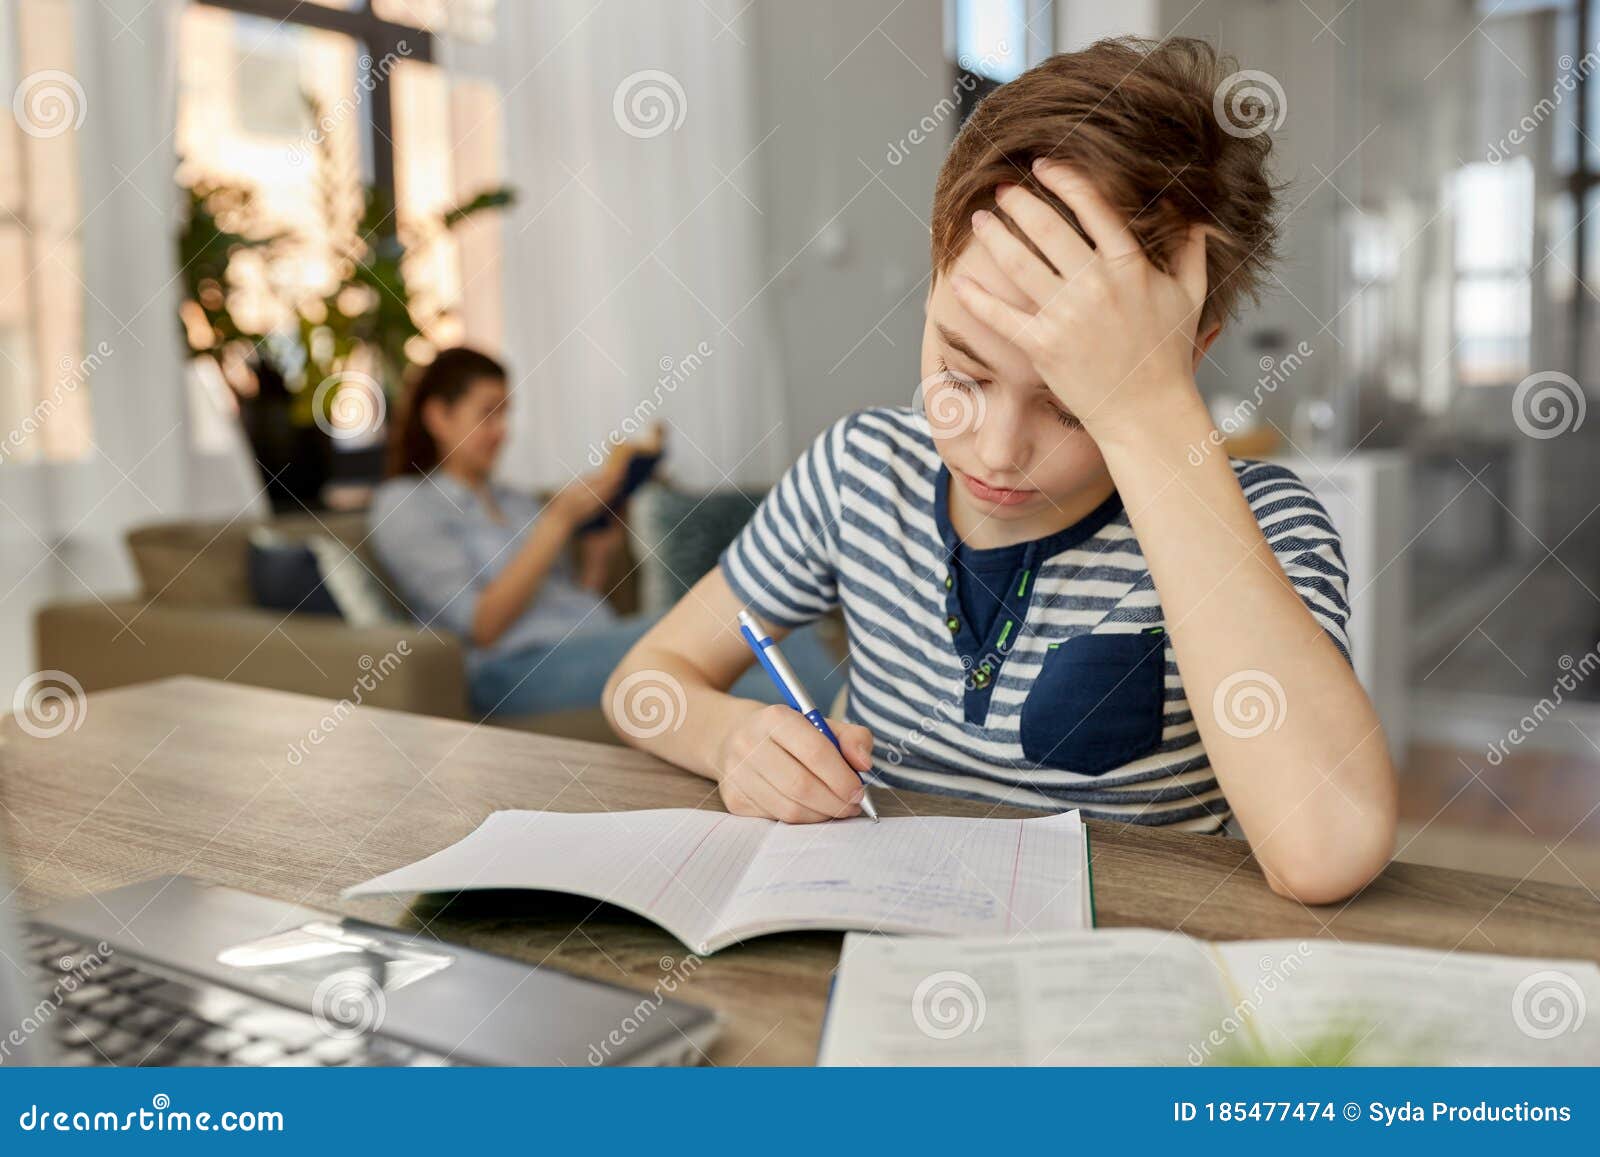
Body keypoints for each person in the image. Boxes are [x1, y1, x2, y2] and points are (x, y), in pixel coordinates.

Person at [603, 38, 1397, 906]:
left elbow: (1328, 848)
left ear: (1189, 357)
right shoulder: (860, 471)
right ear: (935, 274)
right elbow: (645, 680)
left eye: (1072, 403)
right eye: (962, 374)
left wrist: (1150, 414)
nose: (998, 447)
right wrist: (731, 739)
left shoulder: (1261, 523)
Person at [368, 347, 843, 719]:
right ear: (438, 416)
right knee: (745, 651)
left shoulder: (512, 499)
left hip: (587, 641)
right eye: (487, 413)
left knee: (772, 628)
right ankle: (862, 769)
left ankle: (859, 756)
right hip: (510, 671)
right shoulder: (406, 506)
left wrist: (596, 558)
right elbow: (483, 627)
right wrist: (557, 524)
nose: (502, 430)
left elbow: (564, 602)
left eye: (506, 413)